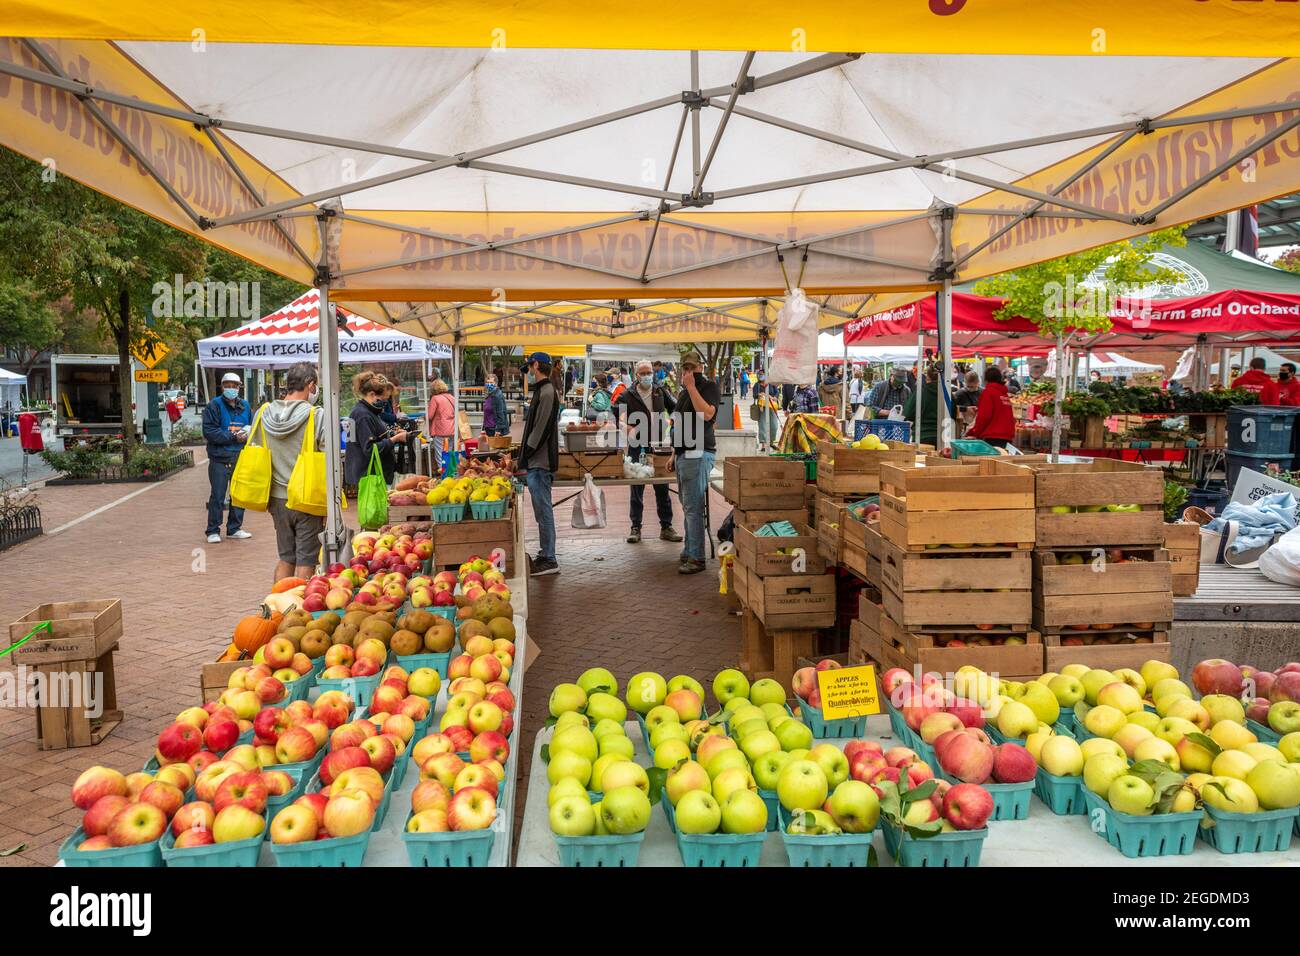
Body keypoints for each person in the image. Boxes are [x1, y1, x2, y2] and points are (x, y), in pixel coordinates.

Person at [262, 362, 328, 584]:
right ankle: (299, 611)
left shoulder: (265, 413)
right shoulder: (316, 416)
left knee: (286, 557)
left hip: (276, 498)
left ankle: (275, 606)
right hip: (306, 498)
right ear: (310, 385)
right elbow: (328, 457)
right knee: (307, 560)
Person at [616, 361, 681, 545]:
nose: (647, 376)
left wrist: (674, 422)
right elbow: (617, 414)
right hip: (637, 446)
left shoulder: (660, 391)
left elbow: (675, 408)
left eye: (649, 372)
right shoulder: (628, 395)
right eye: (643, 373)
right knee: (637, 486)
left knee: (662, 486)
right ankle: (635, 527)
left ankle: (666, 526)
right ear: (636, 375)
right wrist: (625, 425)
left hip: (658, 445)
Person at [672, 351, 720, 575]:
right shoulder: (682, 394)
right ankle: (689, 549)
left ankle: (696, 557)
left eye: (692, 367)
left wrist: (691, 387)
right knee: (687, 505)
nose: (689, 372)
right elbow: (679, 424)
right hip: (684, 453)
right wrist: (674, 454)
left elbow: (708, 414)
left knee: (693, 507)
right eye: (686, 368)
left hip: (699, 453)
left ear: (700, 367)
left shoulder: (708, 387)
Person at [202, 372, 254, 544]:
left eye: (235, 385)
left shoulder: (245, 406)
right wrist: (233, 437)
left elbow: (252, 426)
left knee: (238, 494)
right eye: (228, 385)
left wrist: (248, 436)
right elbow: (210, 432)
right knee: (217, 495)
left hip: (240, 456)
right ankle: (213, 530)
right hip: (219, 458)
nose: (231, 389)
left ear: (240, 387)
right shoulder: (214, 406)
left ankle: (234, 528)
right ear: (222, 387)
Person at [521, 352, 560, 575]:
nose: (528, 372)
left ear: (536, 365)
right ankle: (546, 553)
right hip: (537, 461)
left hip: (540, 462)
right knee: (541, 509)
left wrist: (526, 452)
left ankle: (549, 558)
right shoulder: (544, 390)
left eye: (529, 367)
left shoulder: (546, 392)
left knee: (544, 510)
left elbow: (542, 428)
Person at [346, 371, 407, 488]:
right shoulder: (363, 415)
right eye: (382, 398)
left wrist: (391, 433)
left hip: (371, 474)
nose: (384, 402)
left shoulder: (366, 412)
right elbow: (370, 448)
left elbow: (372, 435)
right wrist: (395, 439)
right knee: (375, 506)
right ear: (372, 394)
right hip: (370, 476)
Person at [967, 366, 1016, 448]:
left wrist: (974, 432)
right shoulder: (1004, 394)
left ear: (986, 379)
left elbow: (984, 416)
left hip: (992, 437)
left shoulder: (988, 392)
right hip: (1007, 436)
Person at [903, 366, 940, 447]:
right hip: (943, 436)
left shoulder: (921, 392)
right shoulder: (948, 393)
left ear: (927, 376)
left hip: (922, 435)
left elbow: (908, 413)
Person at [426, 377, 456, 469]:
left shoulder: (435, 398)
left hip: (440, 430)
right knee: (448, 453)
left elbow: (429, 416)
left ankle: (444, 476)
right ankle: (450, 474)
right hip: (452, 429)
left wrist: (426, 410)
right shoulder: (452, 397)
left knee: (440, 455)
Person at [751, 371, 781, 451]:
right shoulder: (757, 385)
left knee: (774, 425)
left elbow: (777, 392)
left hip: (772, 406)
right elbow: (754, 395)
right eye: (760, 375)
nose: (761, 376)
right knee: (762, 425)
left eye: (763, 374)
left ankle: (771, 442)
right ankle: (763, 444)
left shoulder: (771, 384)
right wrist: (759, 395)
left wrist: (774, 397)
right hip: (762, 407)